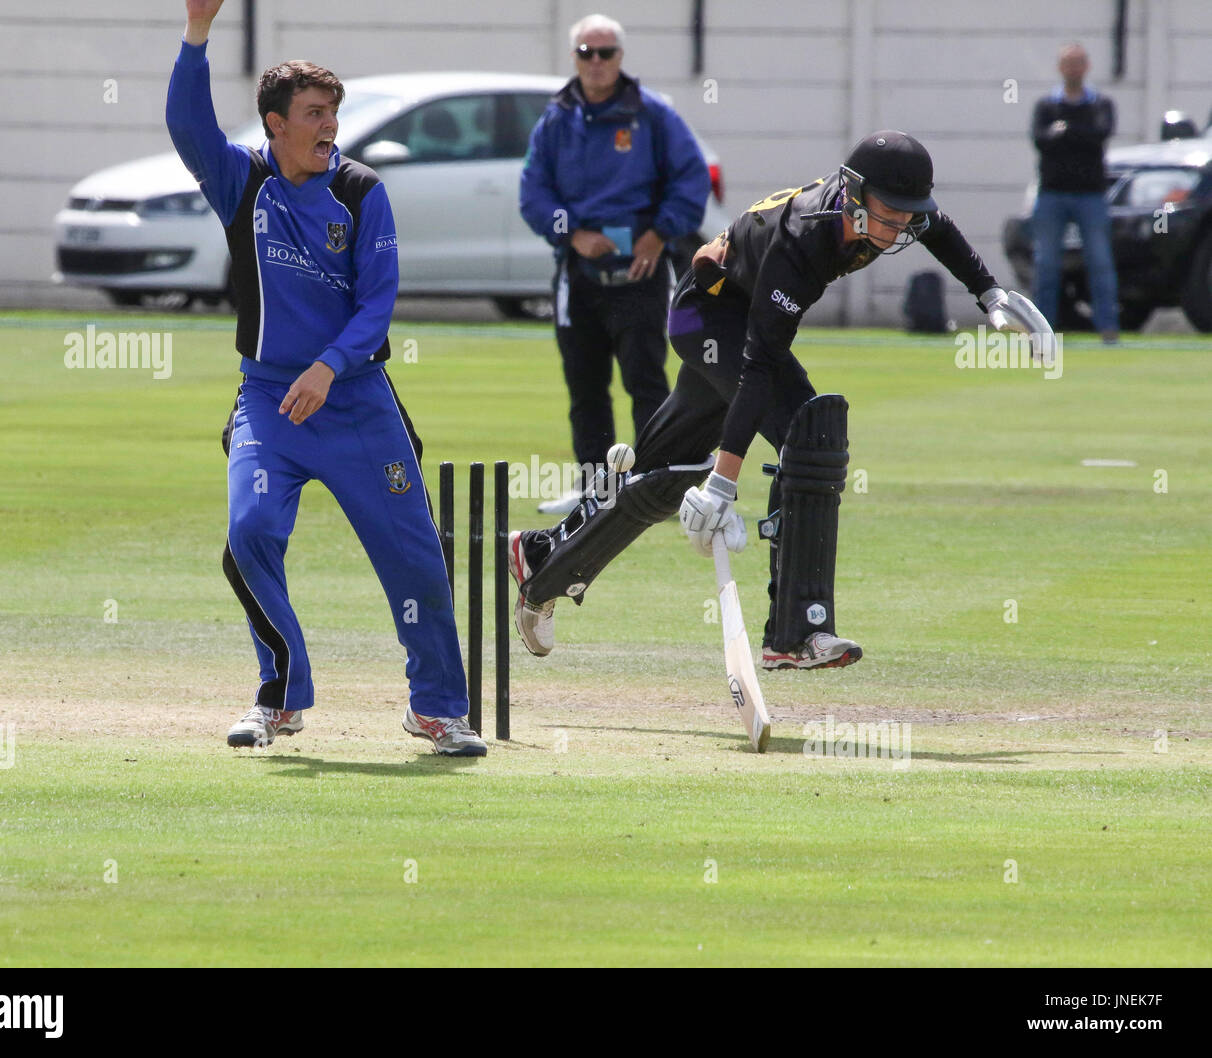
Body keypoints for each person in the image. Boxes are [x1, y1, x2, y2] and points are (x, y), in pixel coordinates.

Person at [509, 131, 1030, 670]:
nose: (899, 228)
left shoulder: (881, 213)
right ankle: (796, 631)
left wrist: (989, 293)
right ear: (853, 195)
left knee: (666, 470)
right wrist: (723, 484)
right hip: (707, 317)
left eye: (907, 216)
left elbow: (936, 227)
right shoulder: (803, 240)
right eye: (890, 214)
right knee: (809, 435)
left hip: (733, 316)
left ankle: (542, 556)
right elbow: (759, 365)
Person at [166, 0, 485, 756]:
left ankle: (436, 708)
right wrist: (197, 34)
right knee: (249, 534)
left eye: (333, 113)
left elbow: (378, 305)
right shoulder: (240, 181)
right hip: (270, 406)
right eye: (313, 114)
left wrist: (328, 367)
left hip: (359, 404)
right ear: (275, 123)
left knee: (415, 556)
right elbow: (187, 127)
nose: (328, 128)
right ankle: (279, 697)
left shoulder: (360, 192)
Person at [520, 13, 711, 514]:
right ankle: (595, 491)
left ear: (621, 58)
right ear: (575, 57)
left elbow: (691, 182)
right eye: (587, 53)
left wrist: (658, 235)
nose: (597, 63)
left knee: (646, 381)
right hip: (580, 277)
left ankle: (655, 485)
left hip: (641, 275)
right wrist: (572, 233)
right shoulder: (557, 118)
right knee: (585, 387)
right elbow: (534, 195)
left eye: (606, 53)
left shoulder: (652, 114)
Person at [1031, 43, 1119, 342]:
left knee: (1100, 262)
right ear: (1060, 67)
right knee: (1046, 266)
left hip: (1091, 196)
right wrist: (1074, 135)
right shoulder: (1046, 106)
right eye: (1068, 63)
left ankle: (1108, 329)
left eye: (1078, 63)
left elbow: (1099, 137)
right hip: (1052, 195)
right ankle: (1042, 331)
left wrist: (1066, 132)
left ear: (1087, 66)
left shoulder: (1100, 104)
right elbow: (1041, 141)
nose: (1073, 69)